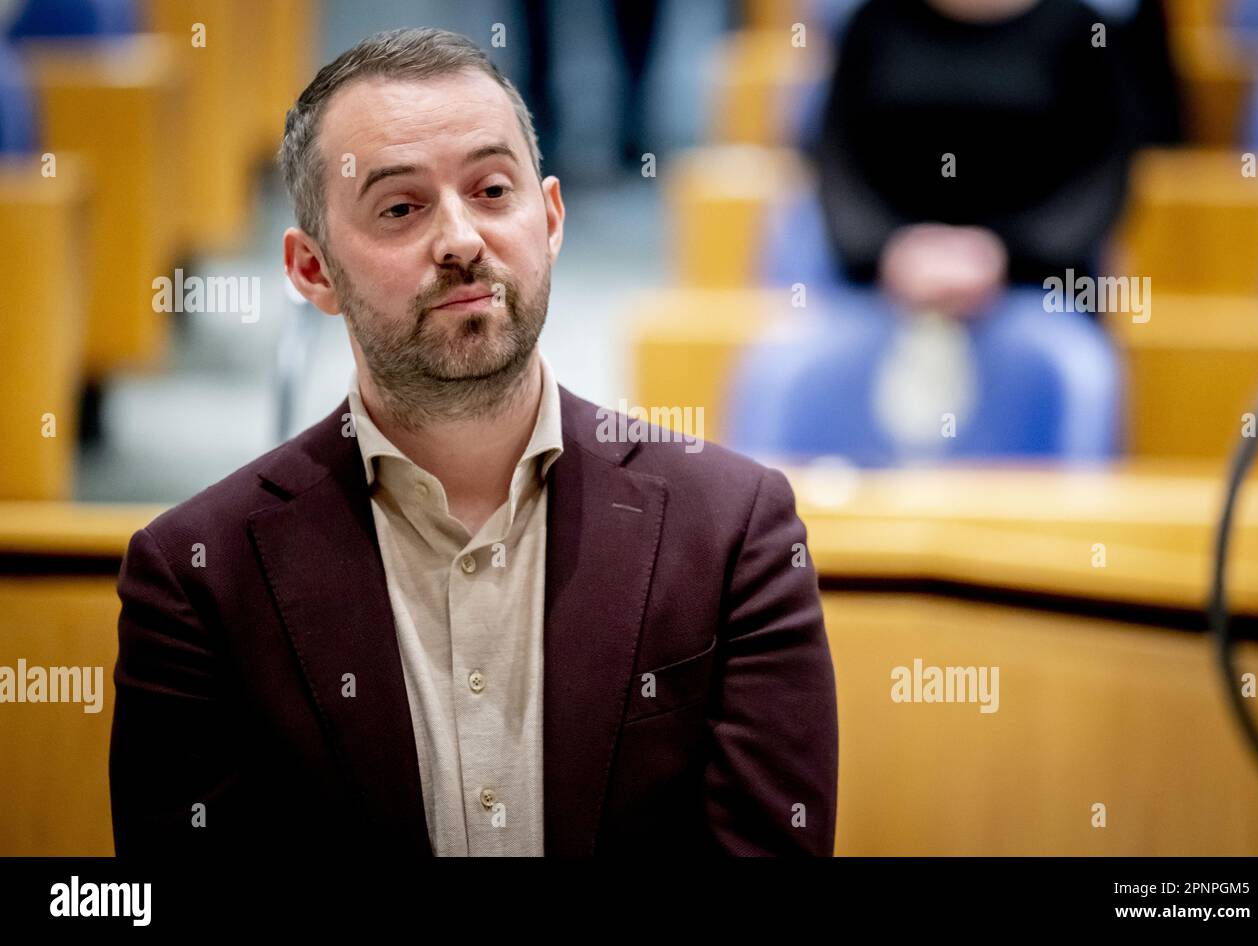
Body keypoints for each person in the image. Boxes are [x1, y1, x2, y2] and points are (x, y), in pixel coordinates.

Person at [109, 27, 838, 858]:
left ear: (551, 218)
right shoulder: (195, 576)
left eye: (493, 191)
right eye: (400, 208)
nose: (460, 239)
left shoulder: (736, 528)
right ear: (312, 271)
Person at [815, 0, 1137, 318]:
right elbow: (838, 164)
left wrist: (1001, 255)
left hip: (1037, 288)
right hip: (883, 287)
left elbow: (1099, 181)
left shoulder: (1079, 26)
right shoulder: (873, 23)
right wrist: (892, 251)